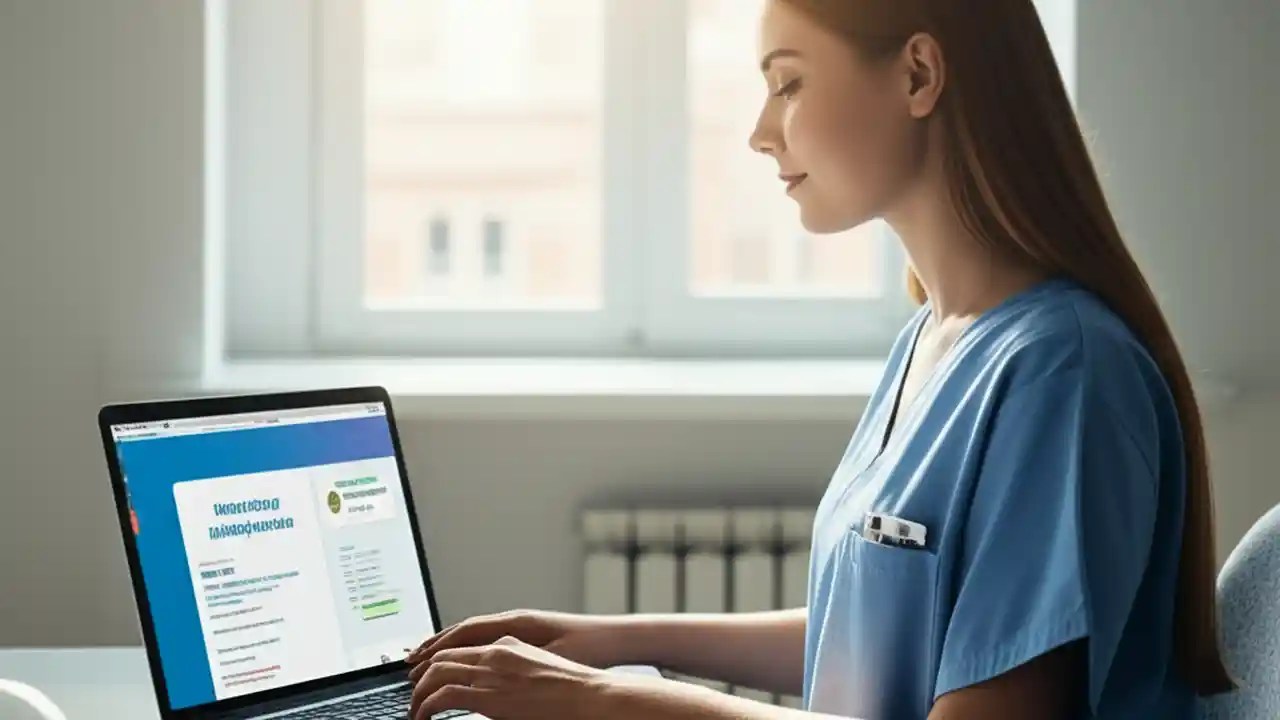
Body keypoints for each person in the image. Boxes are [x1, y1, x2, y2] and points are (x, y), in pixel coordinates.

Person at [404, 1, 1236, 717]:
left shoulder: (1065, 374)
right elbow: (882, 630)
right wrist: (605, 640)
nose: (762, 134)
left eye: (788, 82)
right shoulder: (932, 339)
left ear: (917, 76)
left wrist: (603, 702)